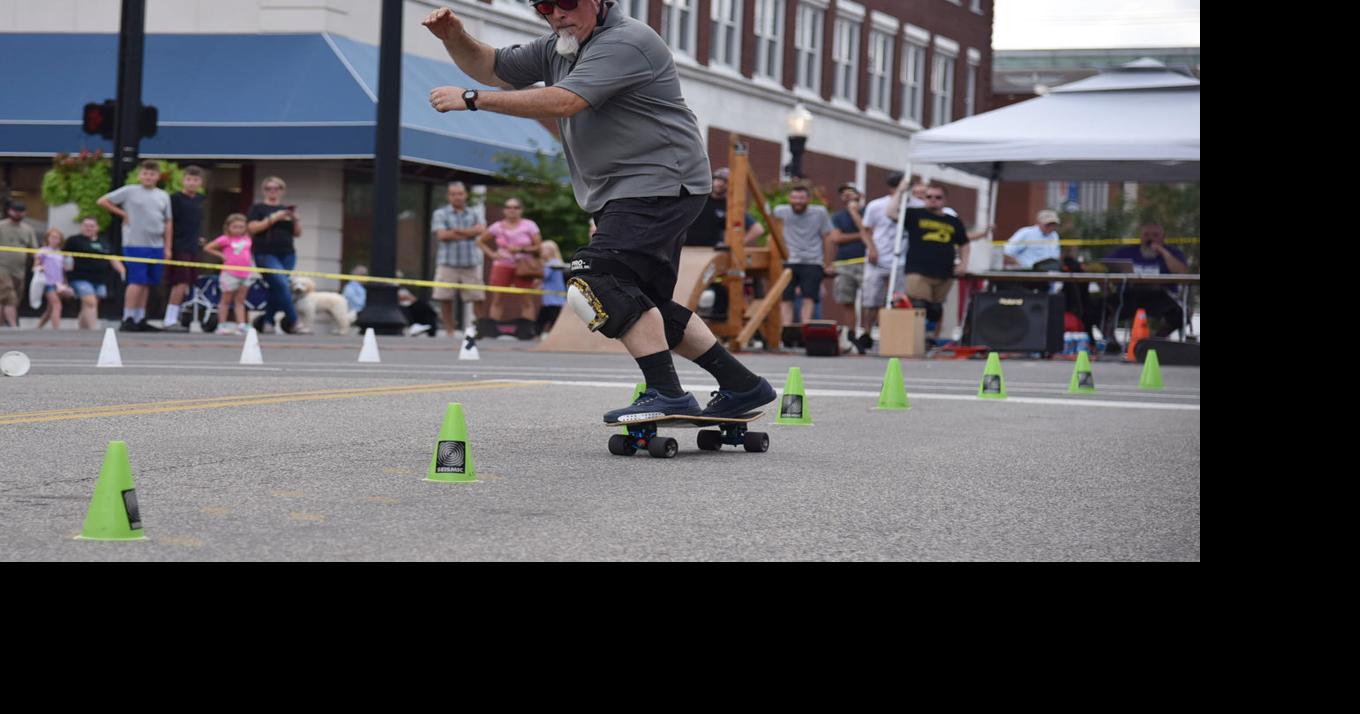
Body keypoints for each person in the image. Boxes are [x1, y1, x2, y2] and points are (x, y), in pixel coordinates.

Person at [423, 0, 774, 422]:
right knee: (647, 302)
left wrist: (473, 100)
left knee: (594, 278)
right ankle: (742, 385)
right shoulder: (560, 46)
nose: (557, 14)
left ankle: (667, 392)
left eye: (568, 3)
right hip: (630, 192)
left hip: (659, 182)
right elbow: (492, 66)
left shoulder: (627, 41)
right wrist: (454, 37)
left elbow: (564, 101)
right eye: (544, 6)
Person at [97, 159, 172, 332]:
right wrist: (123, 213)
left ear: (158, 177)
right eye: (145, 173)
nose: (148, 177)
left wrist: (167, 246)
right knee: (136, 281)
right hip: (136, 243)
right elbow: (103, 201)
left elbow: (168, 221)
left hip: (156, 244)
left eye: (152, 174)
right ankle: (128, 316)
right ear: (139, 175)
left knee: (147, 282)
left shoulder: (163, 195)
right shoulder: (130, 191)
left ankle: (140, 317)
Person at [1093, 222, 1190, 339]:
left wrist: (1162, 251)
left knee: (1180, 315)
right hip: (1129, 295)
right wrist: (1106, 287)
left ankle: (1156, 341)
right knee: (1096, 308)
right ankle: (1111, 343)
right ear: (1141, 237)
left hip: (1160, 295)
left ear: (1163, 237)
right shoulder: (1127, 251)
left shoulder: (1172, 252)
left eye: (1155, 235)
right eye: (1146, 235)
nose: (1150, 238)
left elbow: (1182, 271)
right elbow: (1101, 266)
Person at [901, 184, 972, 338]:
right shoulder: (914, 214)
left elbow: (964, 243)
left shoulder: (953, 221)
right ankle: (915, 339)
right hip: (918, 269)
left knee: (936, 309)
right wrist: (900, 190)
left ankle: (931, 338)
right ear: (923, 199)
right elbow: (892, 213)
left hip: (944, 271)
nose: (933, 200)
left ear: (944, 200)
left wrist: (963, 263)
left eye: (938, 197)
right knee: (920, 305)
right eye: (929, 197)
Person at [857, 171, 909, 353]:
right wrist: (871, 248)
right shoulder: (876, 205)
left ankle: (896, 335)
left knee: (898, 299)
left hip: (901, 260)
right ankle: (867, 333)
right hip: (878, 257)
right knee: (871, 298)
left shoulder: (913, 205)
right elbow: (866, 230)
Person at [246, 176, 306, 334]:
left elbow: (297, 233)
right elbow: (252, 228)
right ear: (263, 190)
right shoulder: (258, 208)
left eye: (276, 188)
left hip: (287, 253)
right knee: (282, 284)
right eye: (268, 188)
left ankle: (268, 322)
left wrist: (296, 220)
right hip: (265, 253)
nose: (272, 191)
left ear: (282, 191)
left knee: (277, 287)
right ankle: (294, 321)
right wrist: (273, 218)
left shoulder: (286, 209)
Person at [430, 181, 486, 336]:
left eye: (460, 194)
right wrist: (470, 232)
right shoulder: (440, 213)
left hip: (471, 263)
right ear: (448, 196)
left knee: (478, 297)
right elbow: (442, 235)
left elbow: (482, 230)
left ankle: (479, 330)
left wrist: (456, 232)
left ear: (465, 195)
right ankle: (450, 332)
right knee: (445, 297)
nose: (457, 197)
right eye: (453, 194)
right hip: (447, 262)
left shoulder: (475, 212)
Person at [773, 186, 833, 325]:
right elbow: (773, 232)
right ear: (789, 199)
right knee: (786, 297)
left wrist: (828, 263)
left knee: (809, 298)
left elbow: (827, 237)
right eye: (794, 198)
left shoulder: (819, 213)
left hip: (812, 261)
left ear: (809, 199)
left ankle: (804, 328)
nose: (797, 201)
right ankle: (785, 330)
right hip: (789, 260)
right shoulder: (780, 211)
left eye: (801, 198)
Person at [477, 196, 542, 325]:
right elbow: (480, 241)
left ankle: (527, 329)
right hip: (502, 264)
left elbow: (539, 247)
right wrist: (492, 255)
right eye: (509, 207)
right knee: (497, 298)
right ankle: (492, 329)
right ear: (504, 210)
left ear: (521, 210)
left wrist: (521, 249)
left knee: (526, 299)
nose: (512, 210)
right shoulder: (497, 226)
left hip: (523, 265)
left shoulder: (529, 225)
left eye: (516, 207)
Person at [826, 183, 874, 353]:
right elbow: (836, 238)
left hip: (866, 261)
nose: (847, 197)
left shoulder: (869, 211)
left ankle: (867, 334)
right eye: (843, 194)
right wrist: (861, 235)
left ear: (860, 195)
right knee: (847, 300)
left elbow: (870, 232)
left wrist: (854, 214)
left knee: (869, 300)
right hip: (844, 263)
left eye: (851, 193)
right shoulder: (838, 216)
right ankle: (851, 333)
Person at [163, 165, 206, 331]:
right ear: (182, 180)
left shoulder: (200, 199)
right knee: (179, 282)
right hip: (178, 246)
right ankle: (169, 319)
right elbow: (168, 222)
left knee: (189, 282)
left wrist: (198, 238)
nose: (192, 183)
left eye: (195, 180)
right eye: (189, 179)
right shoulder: (174, 199)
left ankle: (179, 315)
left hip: (192, 246)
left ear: (200, 182)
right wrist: (168, 246)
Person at [63, 216, 126, 330]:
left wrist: (122, 271)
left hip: (99, 279)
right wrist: (64, 280)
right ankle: (94, 331)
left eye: (91, 226)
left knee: (88, 305)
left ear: (97, 228)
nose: (88, 228)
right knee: (91, 303)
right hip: (80, 278)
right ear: (81, 227)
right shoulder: (74, 240)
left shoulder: (103, 241)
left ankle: (82, 330)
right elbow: (64, 259)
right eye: (86, 226)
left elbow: (112, 258)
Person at [684, 169, 765, 247]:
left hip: (711, 251)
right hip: (686, 248)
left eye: (725, 181)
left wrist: (737, 245)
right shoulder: (699, 199)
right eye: (717, 179)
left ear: (731, 185)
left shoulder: (731, 207)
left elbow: (757, 229)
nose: (719, 184)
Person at [203, 213, 254, 335]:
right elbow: (208, 247)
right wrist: (221, 255)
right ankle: (222, 325)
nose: (238, 230)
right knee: (226, 300)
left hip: (245, 273)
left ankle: (241, 324)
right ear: (228, 227)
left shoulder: (247, 239)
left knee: (240, 300)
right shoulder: (225, 239)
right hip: (230, 273)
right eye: (235, 227)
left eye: (241, 227)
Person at [0, 200, 38, 327]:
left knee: (9, 299)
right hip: (2, 268)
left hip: (20, 270)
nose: (18, 214)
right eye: (15, 211)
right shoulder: (2, 226)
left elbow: (33, 250)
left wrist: (37, 264)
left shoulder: (28, 230)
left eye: (21, 211)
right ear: (9, 211)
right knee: (9, 296)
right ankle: (14, 326)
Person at [33, 228, 73, 329]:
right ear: (48, 238)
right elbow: (36, 265)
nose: (55, 240)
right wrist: (40, 268)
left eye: (57, 238)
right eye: (53, 237)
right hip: (47, 282)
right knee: (57, 305)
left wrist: (65, 283)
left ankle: (38, 328)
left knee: (50, 309)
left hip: (58, 283)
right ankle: (56, 330)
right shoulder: (43, 251)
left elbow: (65, 270)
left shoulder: (60, 253)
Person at [537, 239, 568, 335]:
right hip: (551, 297)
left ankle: (546, 333)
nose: (541, 251)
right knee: (546, 316)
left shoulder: (553, 263)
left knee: (549, 317)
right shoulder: (553, 262)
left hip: (554, 297)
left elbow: (544, 275)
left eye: (544, 249)